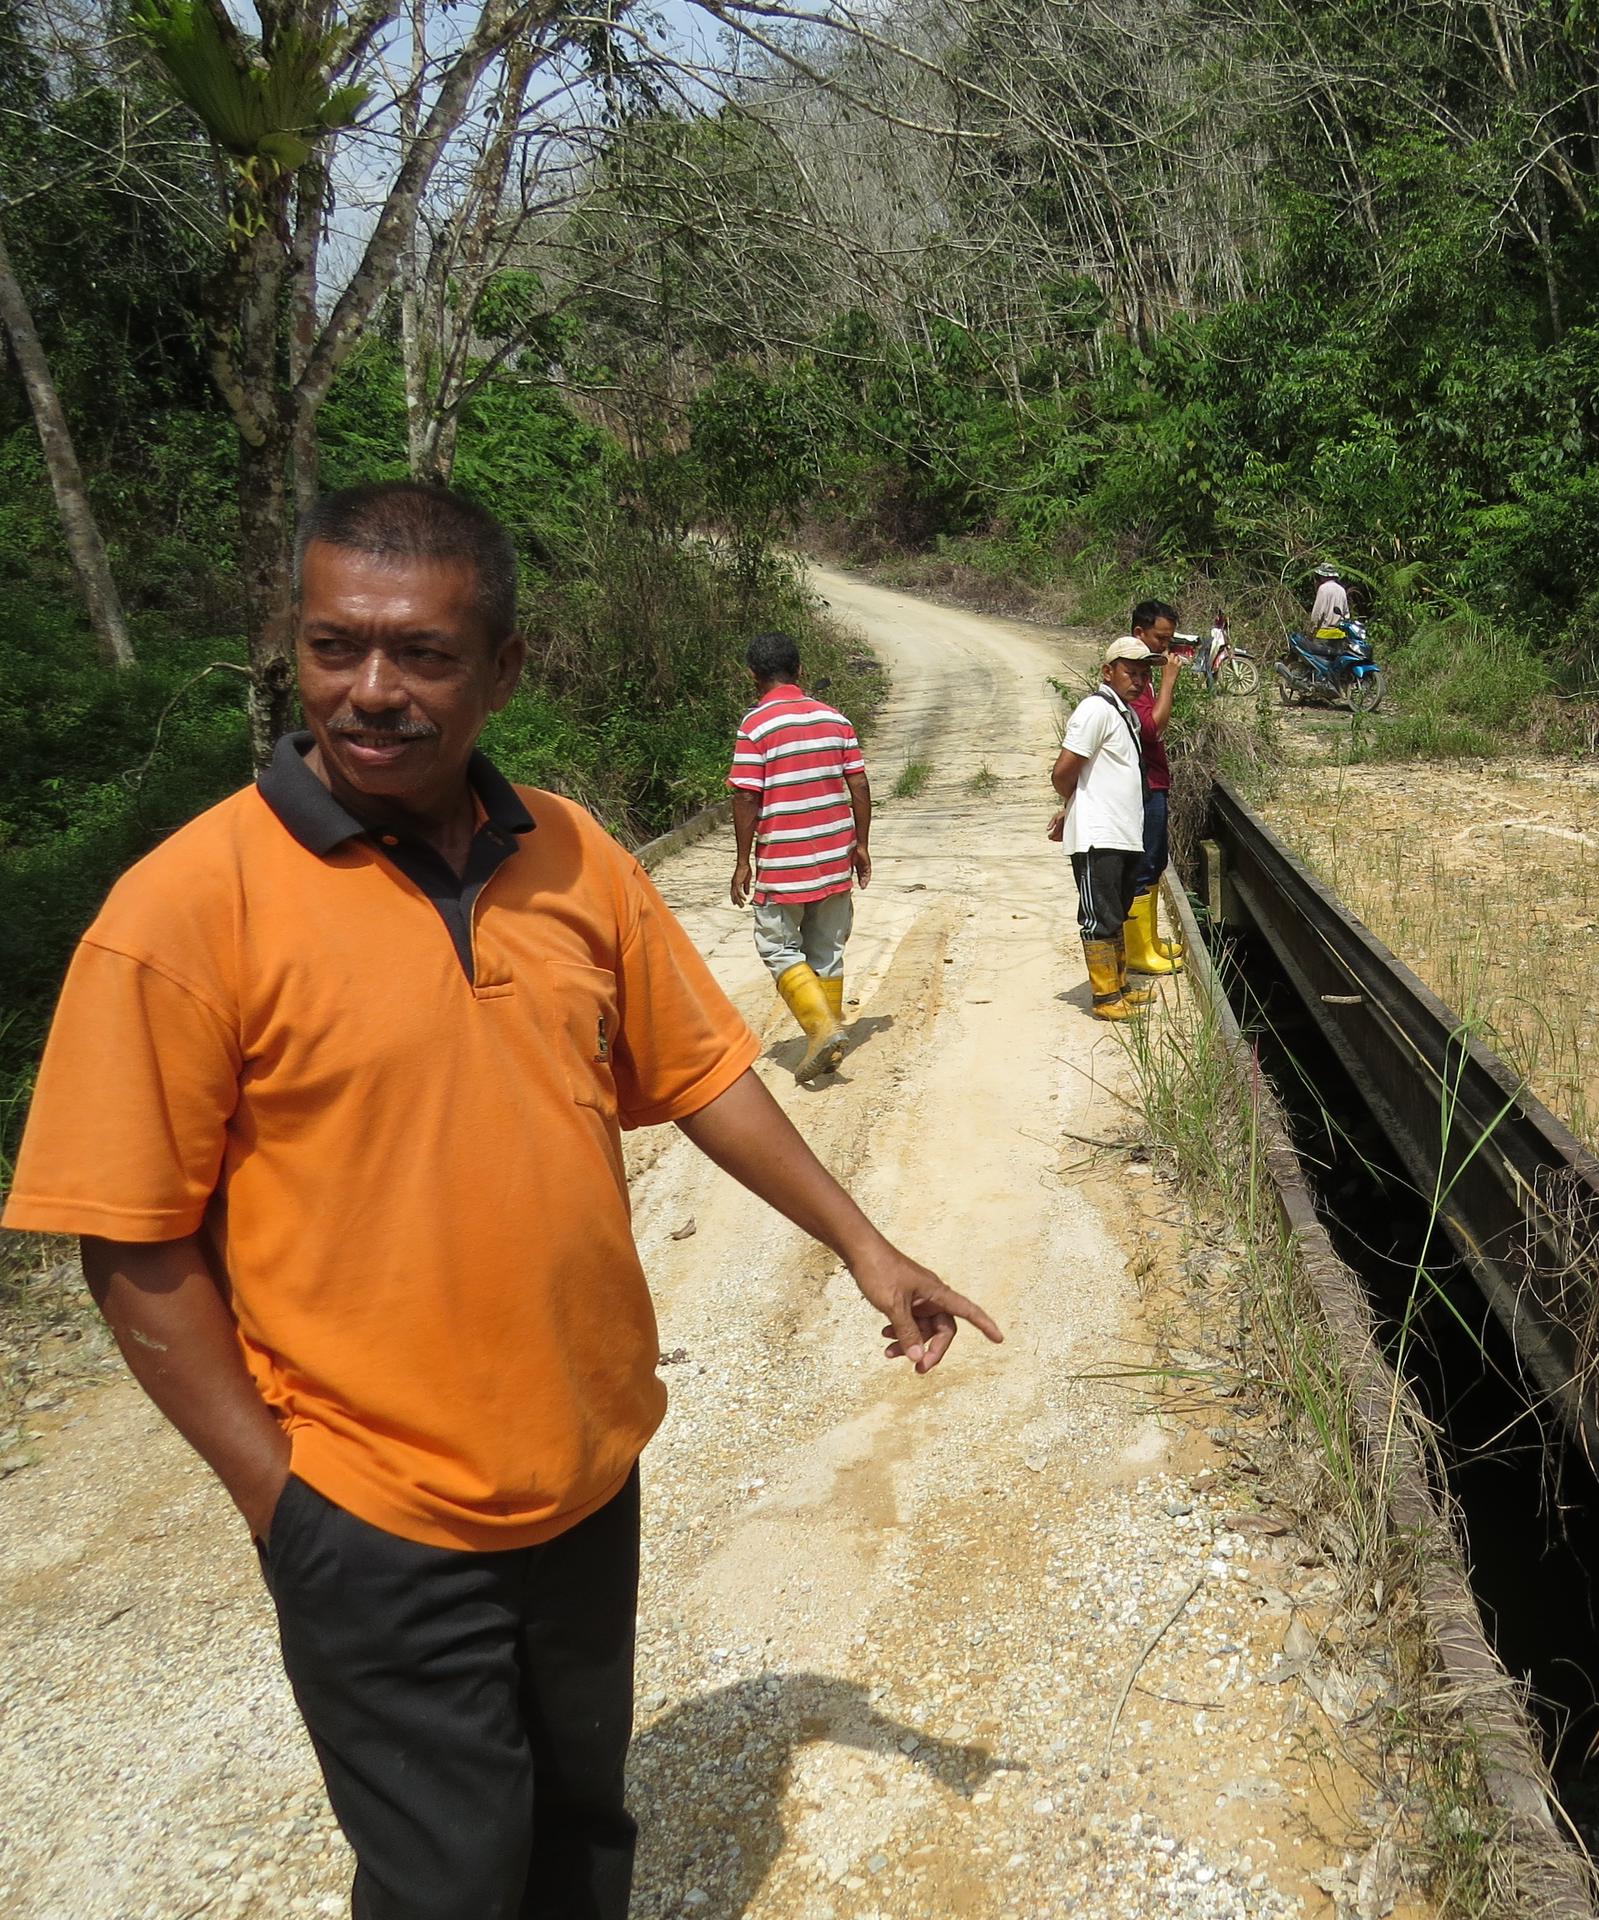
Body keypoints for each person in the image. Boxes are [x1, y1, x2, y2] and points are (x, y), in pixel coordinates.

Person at [0, 481, 1001, 1920]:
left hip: (586, 1473)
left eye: (423, 655)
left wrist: (864, 1244)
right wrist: (278, 1501)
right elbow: (132, 1235)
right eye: (338, 647)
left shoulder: (574, 856)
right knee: (450, 1881)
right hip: (370, 1512)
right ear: (295, 645)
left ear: (504, 667)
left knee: (585, 1831)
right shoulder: (184, 909)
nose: (373, 691)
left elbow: (704, 1073)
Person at [728, 631, 872, 1084]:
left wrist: (741, 861)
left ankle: (821, 1031)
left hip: (783, 865)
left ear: (753, 676)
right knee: (827, 949)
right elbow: (860, 787)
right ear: (800, 670)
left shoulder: (755, 726)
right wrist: (861, 844)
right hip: (833, 858)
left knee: (777, 947)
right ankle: (827, 1041)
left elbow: (746, 799)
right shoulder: (836, 720)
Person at [1050, 637, 1157, 1021]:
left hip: (1123, 831)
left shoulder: (1122, 713)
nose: (1139, 680)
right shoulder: (1095, 709)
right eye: (1131, 672)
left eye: (1144, 674)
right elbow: (1064, 771)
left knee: (1118, 908)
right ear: (1108, 671)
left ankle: (1120, 983)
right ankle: (1105, 995)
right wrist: (1075, 806)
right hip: (1100, 832)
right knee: (1099, 914)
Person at [1124, 598, 1183, 977]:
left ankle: (1150, 941)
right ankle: (1138, 952)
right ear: (1139, 634)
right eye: (1160, 638)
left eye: (1169, 639)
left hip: (1154, 781)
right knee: (1144, 866)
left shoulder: (1141, 675)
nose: (1165, 646)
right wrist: (1168, 682)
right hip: (1144, 784)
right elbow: (1152, 729)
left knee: (1156, 861)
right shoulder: (1137, 680)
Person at [1309, 563, 1351, 636]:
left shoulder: (1323, 589)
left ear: (1323, 576)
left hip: (1324, 633)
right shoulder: (1341, 590)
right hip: (1339, 633)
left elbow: (1317, 612)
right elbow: (1346, 613)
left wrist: (1313, 629)